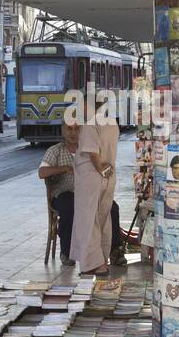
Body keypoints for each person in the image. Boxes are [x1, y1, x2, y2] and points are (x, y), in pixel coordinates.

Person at [39, 122, 125, 268]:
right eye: (69, 129)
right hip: (65, 193)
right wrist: (64, 169)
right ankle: (66, 252)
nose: (73, 133)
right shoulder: (56, 151)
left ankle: (115, 251)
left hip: (89, 193)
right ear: (63, 130)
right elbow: (42, 172)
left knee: (111, 207)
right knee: (69, 207)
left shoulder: (89, 149)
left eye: (77, 129)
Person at [70, 101, 120, 276]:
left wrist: (101, 170)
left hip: (92, 178)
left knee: (89, 220)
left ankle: (95, 264)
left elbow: (93, 152)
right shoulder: (112, 123)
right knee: (103, 219)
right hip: (108, 178)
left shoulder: (92, 123)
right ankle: (102, 258)